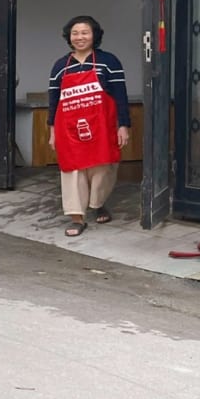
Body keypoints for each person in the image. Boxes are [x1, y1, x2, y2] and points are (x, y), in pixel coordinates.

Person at [46, 14, 130, 237]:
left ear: (94, 35)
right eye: (75, 33)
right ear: (69, 37)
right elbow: (54, 100)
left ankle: (97, 202)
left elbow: (120, 96)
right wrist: (52, 132)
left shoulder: (109, 62)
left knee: (103, 167)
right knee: (72, 171)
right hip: (68, 130)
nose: (79, 37)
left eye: (85, 32)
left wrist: (124, 125)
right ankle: (77, 217)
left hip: (102, 128)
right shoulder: (60, 66)